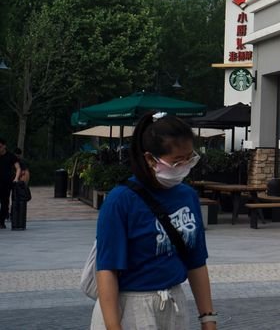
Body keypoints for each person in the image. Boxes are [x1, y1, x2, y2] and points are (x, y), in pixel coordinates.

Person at [90, 111, 217, 330]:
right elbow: (107, 270)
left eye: (190, 158)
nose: (185, 166)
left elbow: (196, 261)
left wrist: (207, 318)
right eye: (177, 162)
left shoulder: (187, 196)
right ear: (150, 158)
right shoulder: (120, 201)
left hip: (174, 304)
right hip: (132, 306)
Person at [0, 137, 18, 229]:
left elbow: (18, 168)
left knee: (4, 202)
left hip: (6, 183)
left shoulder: (10, 156)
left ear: (4, 146)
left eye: (0, 146)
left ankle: (1, 221)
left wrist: (16, 178)